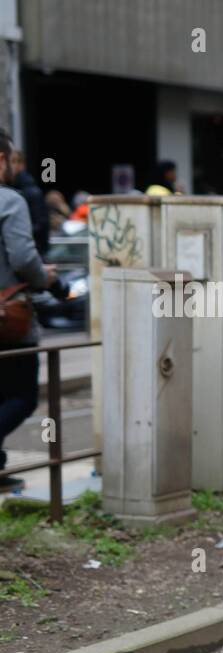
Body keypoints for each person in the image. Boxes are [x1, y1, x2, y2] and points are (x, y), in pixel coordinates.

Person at [0, 129, 67, 493]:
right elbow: (25, 259)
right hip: (8, 316)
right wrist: (46, 277)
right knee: (23, 395)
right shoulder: (10, 200)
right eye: (10, 160)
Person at [10, 151, 49, 256]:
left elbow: (40, 225)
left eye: (13, 162)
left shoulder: (32, 192)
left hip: (30, 253)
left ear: (21, 165)